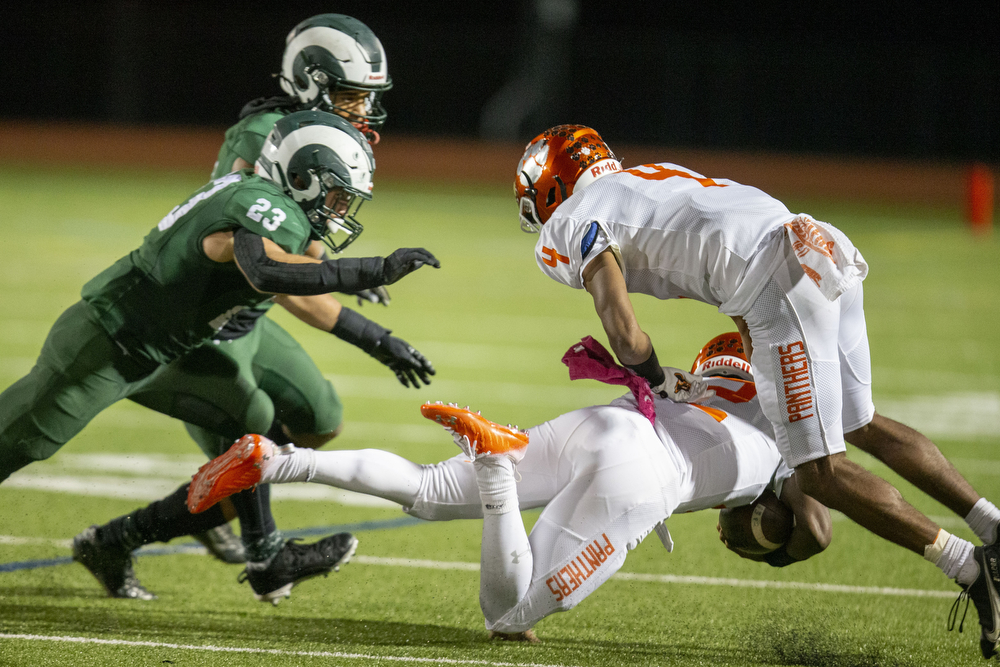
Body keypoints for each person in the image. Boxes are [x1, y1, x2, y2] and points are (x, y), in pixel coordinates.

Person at [513, 124, 1000, 657]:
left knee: (821, 470)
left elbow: (626, 337)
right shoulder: (642, 177)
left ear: (552, 187)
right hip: (817, 240)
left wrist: (657, 380)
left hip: (777, 284)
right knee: (862, 423)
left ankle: (972, 569)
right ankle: (994, 525)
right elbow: (718, 230)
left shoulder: (571, 220)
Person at [0, 111, 439, 604]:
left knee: (249, 425)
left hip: (160, 352)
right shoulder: (259, 205)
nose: (340, 209)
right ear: (301, 178)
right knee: (13, 443)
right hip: (104, 345)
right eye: (335, 194)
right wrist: (375, 269)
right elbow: (270, 270)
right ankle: (264, 558)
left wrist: (373, 334)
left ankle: (253, 555)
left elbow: (284, 267)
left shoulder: (262, 195)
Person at [70, 14, 409, 601]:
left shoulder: (315, 130)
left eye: (366, 96)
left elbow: (301, 249)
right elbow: (267, 264)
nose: (362, 109)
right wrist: (361, 320)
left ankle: (204, 522)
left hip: (250, 321)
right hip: (204, 323)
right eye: (352, 94)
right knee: (252, 447)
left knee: (318, 419)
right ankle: (153, 544)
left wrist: (337, 282)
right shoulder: (267, 135)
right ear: (314, 81)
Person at [183, 333, 834, 639]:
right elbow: (812, 529)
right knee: (509, 617)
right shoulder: (788, 431)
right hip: (642, 474)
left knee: (429, 488)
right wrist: (761, 535)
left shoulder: (703, 384)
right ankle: (495, 467)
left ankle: (275, 459)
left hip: (608, 422)